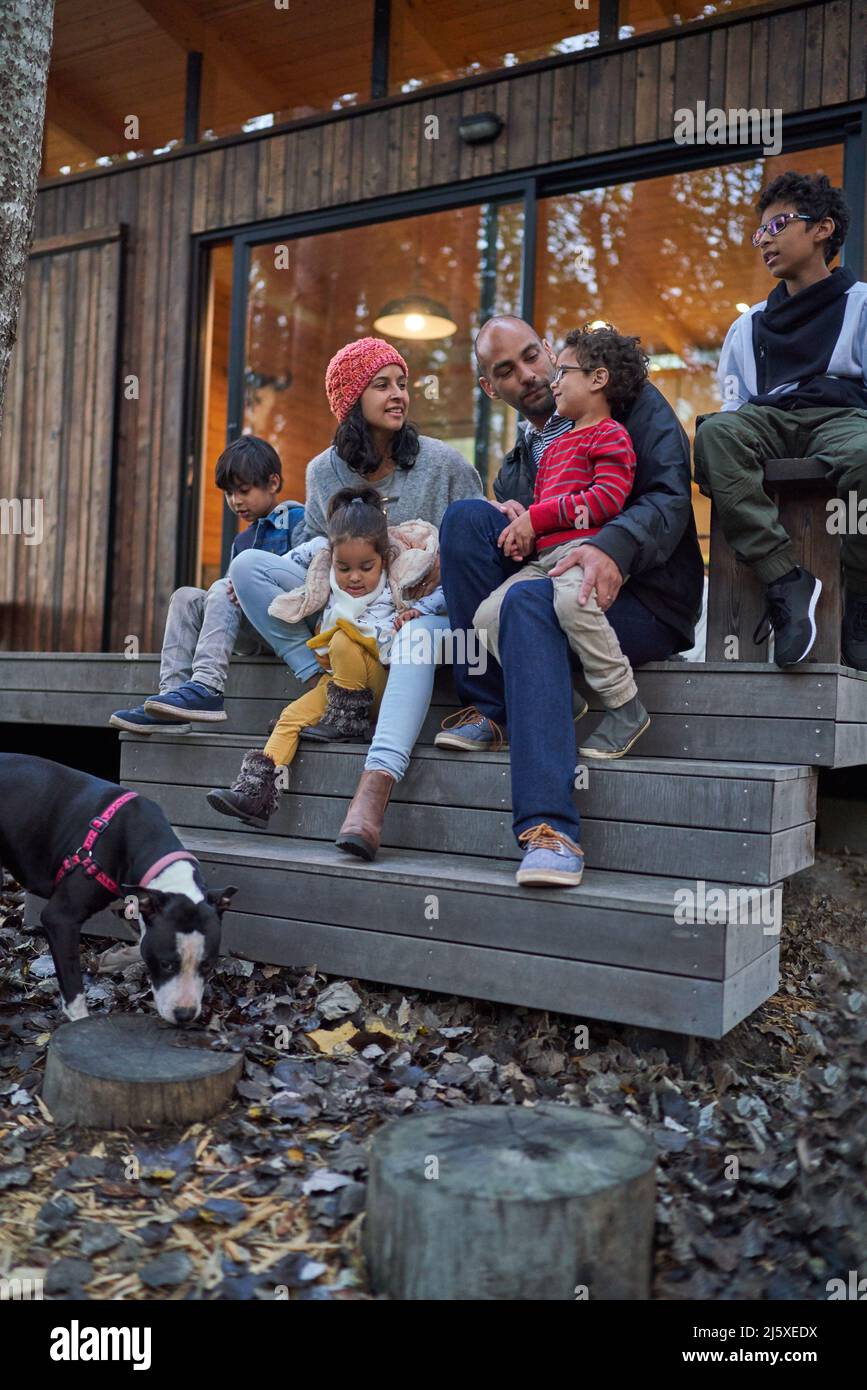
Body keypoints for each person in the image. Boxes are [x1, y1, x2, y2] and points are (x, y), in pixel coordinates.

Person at [436, 314, 704, 888]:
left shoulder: (630, 406)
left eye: (535, 356)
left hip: (647, 599)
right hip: (556, 588)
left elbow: (668, 496)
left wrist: (613, 546)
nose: (530, 375)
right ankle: (489, 705)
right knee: (465, 521)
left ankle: (550, 829)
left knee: (528, 605)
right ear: (491, 388)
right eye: (507, 371)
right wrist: (517, 519)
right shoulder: (518, 466)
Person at [230, 336, 482, 859]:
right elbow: (315, 556)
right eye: (382, 385)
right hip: (346, 622)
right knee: (246, 566)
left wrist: (430, 597)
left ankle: (372, 794)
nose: (400, 395)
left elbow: (478, 558)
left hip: (425, 617)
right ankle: (326, 681)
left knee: (413, 633)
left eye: (403, 384)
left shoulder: (445, 465)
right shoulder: (324, 470)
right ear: (350, 400)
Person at [694, 172, 867, 670]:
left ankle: (859, 592)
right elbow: (734, 407)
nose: (765, 238)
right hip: (767, 420)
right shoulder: (746, 326)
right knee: (716, 434)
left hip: (845, 417)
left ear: (822, 230)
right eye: (760, 232)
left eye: (780, 224)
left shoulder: (860, 305)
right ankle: (786, 580)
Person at [207, 486, 446, 831]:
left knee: (342, 638)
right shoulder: (328, 576)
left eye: (366, 567)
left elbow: (446, 589)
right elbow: (291, 564)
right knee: (290, 717)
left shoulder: (399, 582)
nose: (354, 578)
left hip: (380, 686)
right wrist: (237, 582)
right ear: (331, 559)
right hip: (339, 687)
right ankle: (255, 794)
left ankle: (349, 722)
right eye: (343, 567)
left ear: (384, 559)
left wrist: (420, 609)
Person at [466, 326, 651, 760]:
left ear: (597, 379)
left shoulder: (611, 434)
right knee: (486, 616)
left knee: (574, 603)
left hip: (587, 550)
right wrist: (520, 538)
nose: (552, 380)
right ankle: (560, 695)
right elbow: (543, 514)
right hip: (547, 557)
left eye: (562, 371)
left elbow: (606, 499)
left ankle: (625, 705)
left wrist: (538, 517)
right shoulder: (550, 450)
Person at [109, 437, 303, 733]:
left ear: (273, 483)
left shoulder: (296, 520)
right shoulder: (242, 541)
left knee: (222, 586)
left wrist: (251, 585)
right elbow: (228, 603)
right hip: (252, 632)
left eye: (244, 490)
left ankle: (207, 687)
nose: (235, 501)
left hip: (285, 625)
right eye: (228, 493)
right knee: (186, 596)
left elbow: (309, 576)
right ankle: (171, 702)